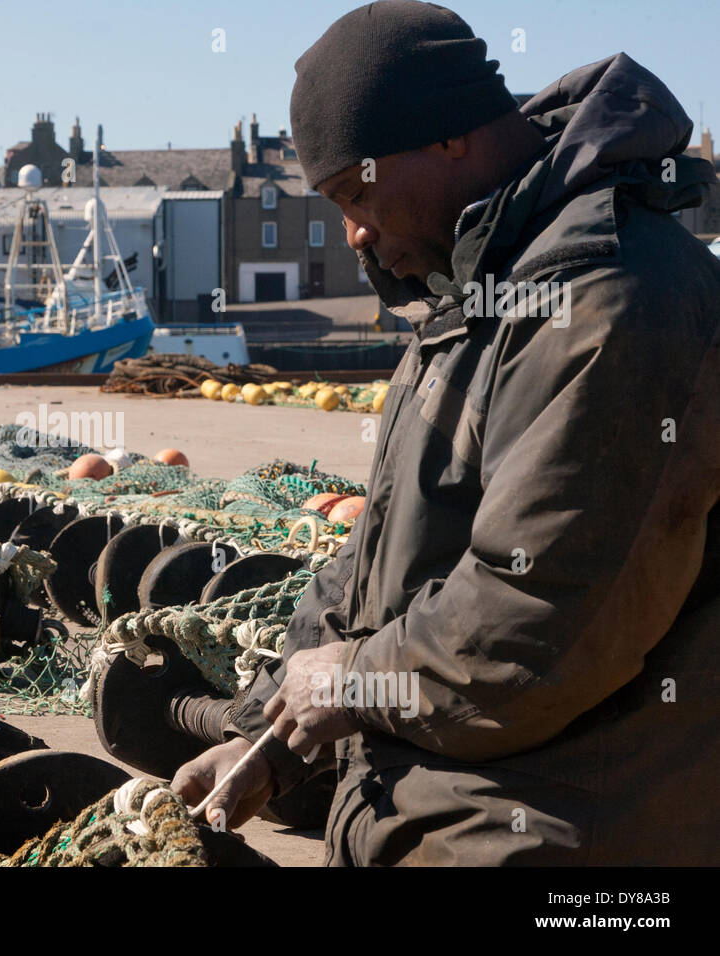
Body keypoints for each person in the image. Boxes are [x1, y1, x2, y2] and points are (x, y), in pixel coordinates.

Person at [173, 0, 720, 864]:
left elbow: (541, 617)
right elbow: (377, 560)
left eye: (356, 191)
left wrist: (354, 683)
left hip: (575, 821)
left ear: (447, 137)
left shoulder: (612, 303)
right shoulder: (482, 293)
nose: (353, 229)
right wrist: (261, 730)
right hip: (460, 778)